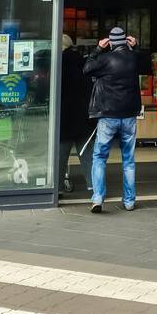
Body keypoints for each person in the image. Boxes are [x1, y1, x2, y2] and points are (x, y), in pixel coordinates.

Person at [82, 26, 149, 212]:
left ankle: (98, 198)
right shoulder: (133, 58)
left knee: (99, 156)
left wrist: (97, 49)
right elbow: (147, 64)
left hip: (108, 115)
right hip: (129, 115)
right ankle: (129, 201)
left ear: (110, 42)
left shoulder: (105, 59)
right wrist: (136, 47)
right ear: (126, 41)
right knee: (128, 159)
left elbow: (86, 69)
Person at [57, 35, 94, 195]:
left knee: (60, 156)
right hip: (84, 116)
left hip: (64, 117)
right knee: (88, 155)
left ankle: (56, 188)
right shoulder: (84, 63)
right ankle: (95, 188)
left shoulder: (58, 65)